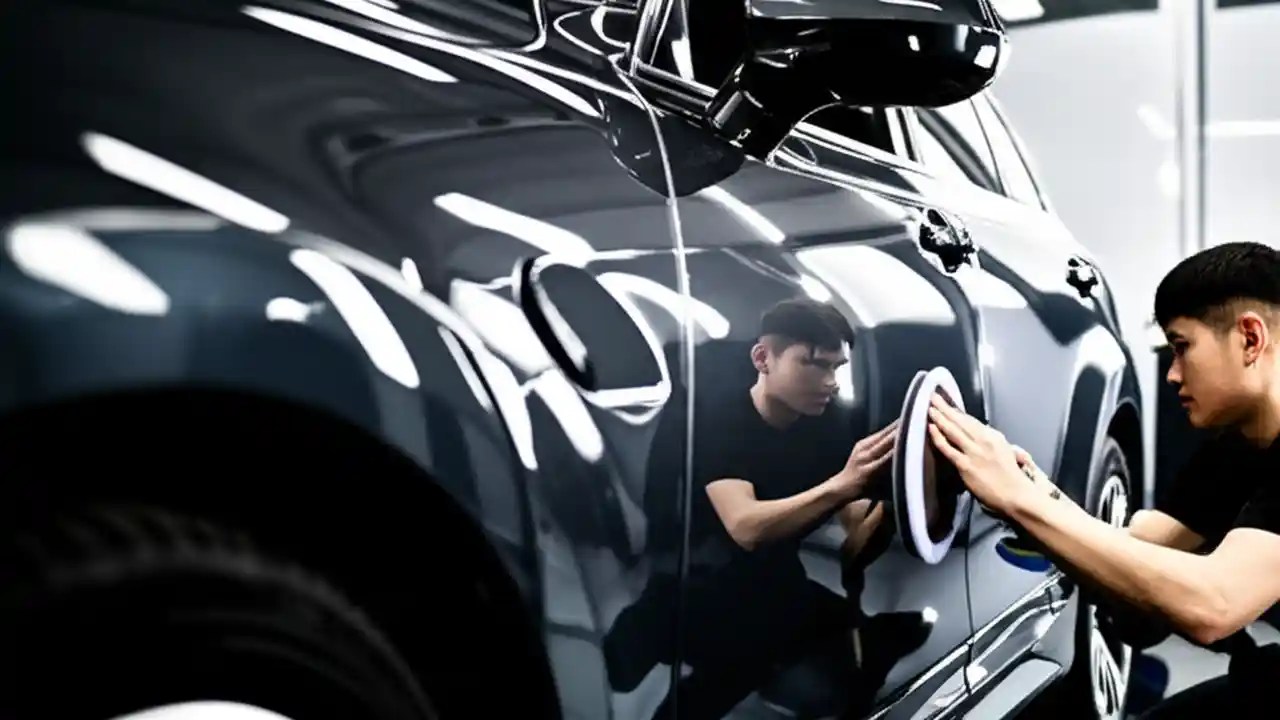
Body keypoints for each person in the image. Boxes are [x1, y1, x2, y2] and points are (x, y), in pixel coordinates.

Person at [927, 242, 1280, 717]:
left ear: (1250, 340)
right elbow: (1143, 546)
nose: (1173, 375)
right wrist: (1033, 488)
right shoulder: (1238, 446)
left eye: (1181, 348)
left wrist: (1019, 502)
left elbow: (1213, 604)